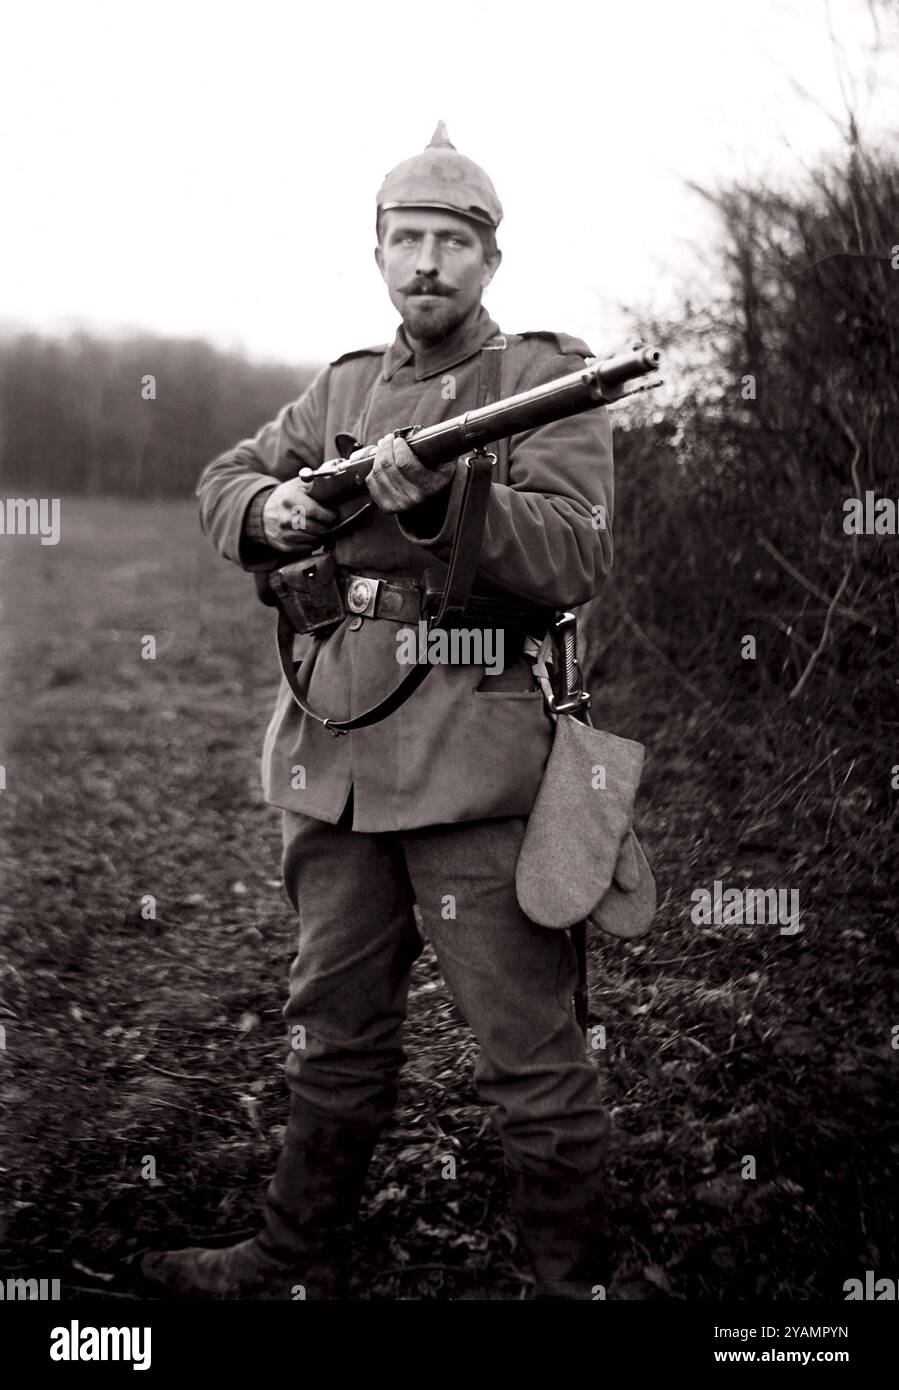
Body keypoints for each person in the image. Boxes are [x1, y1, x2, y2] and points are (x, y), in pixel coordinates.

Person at [134, 122, 616, 1301]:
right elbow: (224, 479)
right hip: (335, 759)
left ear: (490, 261)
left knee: (529, 1053)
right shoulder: (345, 385)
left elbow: (572, 556)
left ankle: (576, 1284)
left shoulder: (547, 380)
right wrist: (270, 511)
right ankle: (288, 1254)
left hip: (475, 762)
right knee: (329, 1029)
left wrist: (451, 502)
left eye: (453, 242)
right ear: (378, 253)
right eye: (406, 239)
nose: (427, 265)